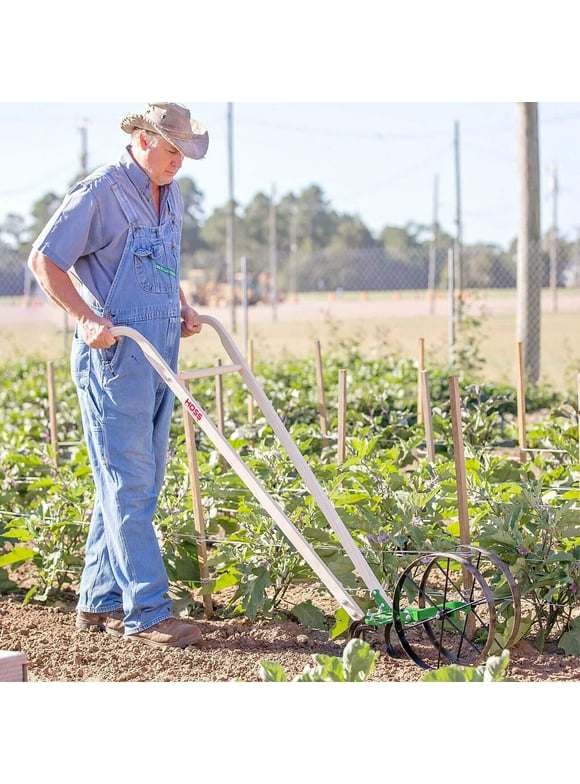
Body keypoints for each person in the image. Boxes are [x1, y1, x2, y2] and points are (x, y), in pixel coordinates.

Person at [28, 102, 209, 649]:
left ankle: (99, 601)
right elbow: (44, 260)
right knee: (129, 483)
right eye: (173, 150)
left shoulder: (170, 193)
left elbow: (162, 261)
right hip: (115, 355)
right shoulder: (100, 191)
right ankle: (148, 613)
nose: (179, 162)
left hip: (161, 351)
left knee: (138, 482)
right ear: (143, 137)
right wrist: (85, 320)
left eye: (185, 153)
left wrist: (181, 304)